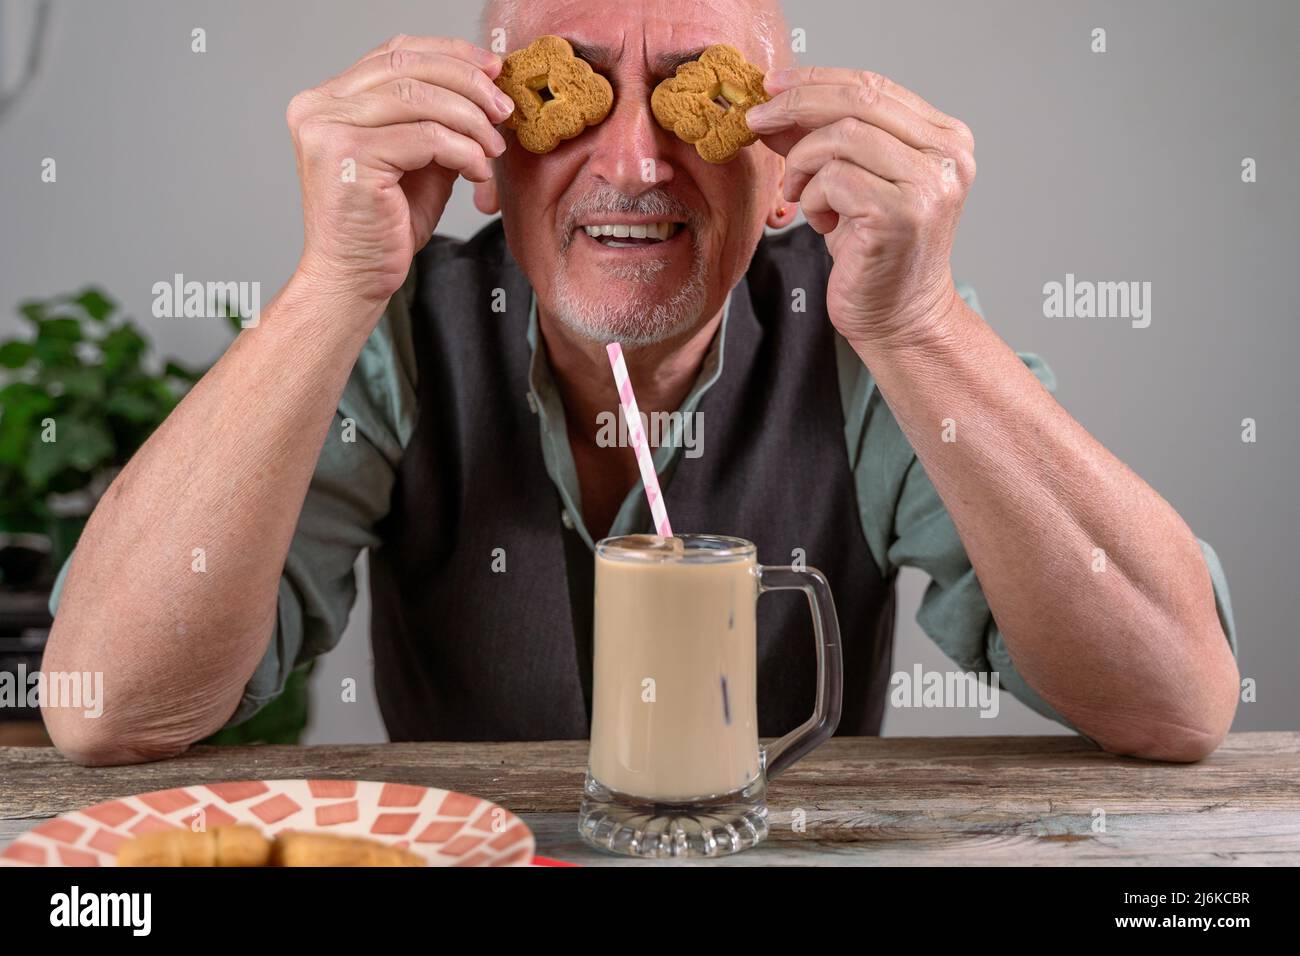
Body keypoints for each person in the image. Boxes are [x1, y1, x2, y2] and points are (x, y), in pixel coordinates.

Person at [41, 0, 1239, 766]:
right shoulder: (394, 329)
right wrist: (325, 286)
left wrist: (921, 326)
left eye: (694, 91)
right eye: (574, 92)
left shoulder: (872, 329)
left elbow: (1179, 702)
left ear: (779, 172)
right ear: (487, 154)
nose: (631, 158)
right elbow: (107, 707)